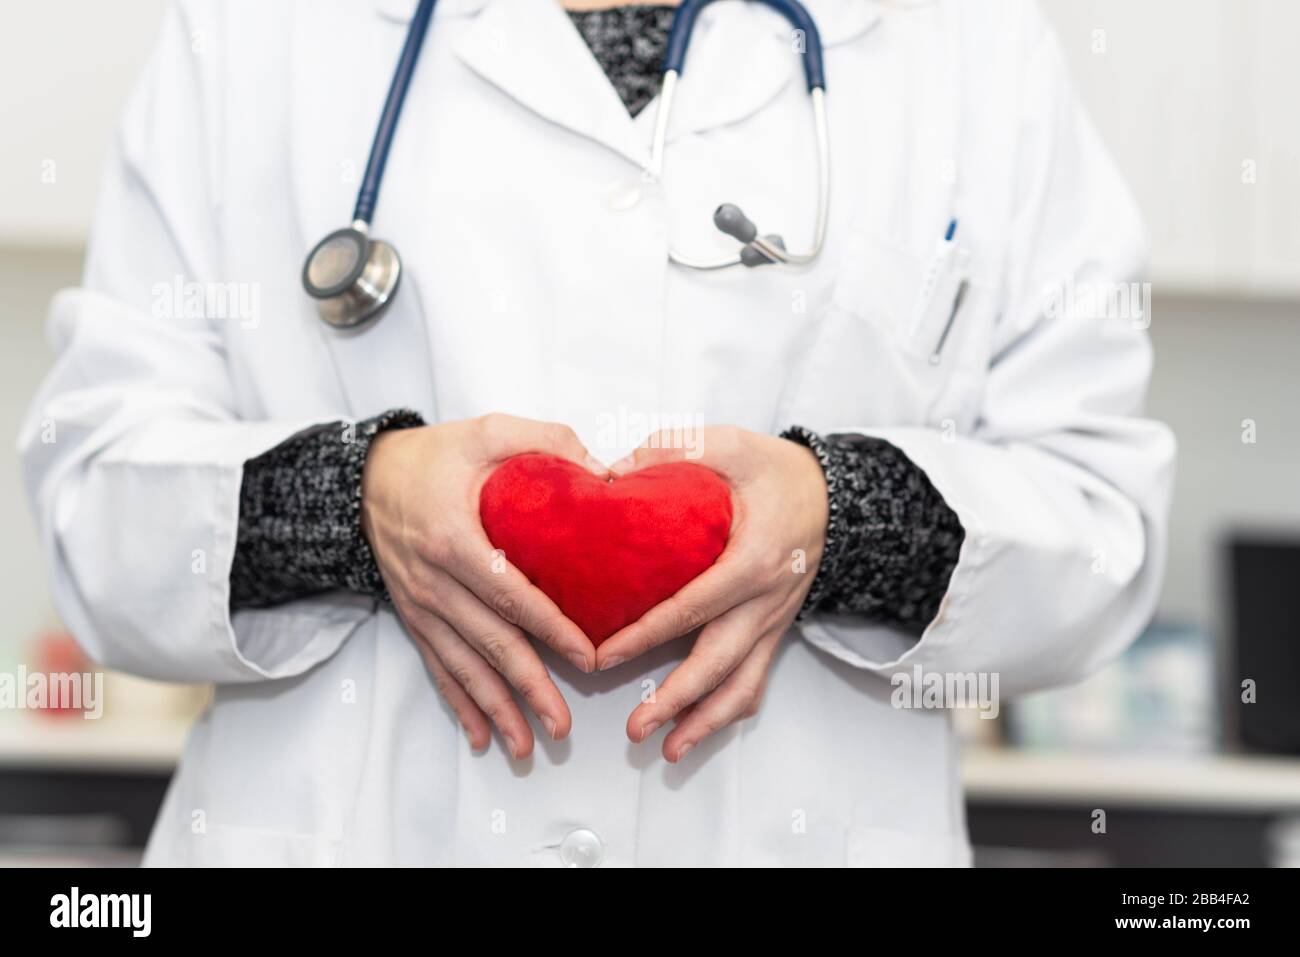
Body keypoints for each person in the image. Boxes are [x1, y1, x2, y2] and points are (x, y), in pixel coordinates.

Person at [19, 0, 1174, 866]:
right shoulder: (259, 32)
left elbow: (1095, 519)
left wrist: (846, 518)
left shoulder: (961, 43)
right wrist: (353, 501)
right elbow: (97, 497)